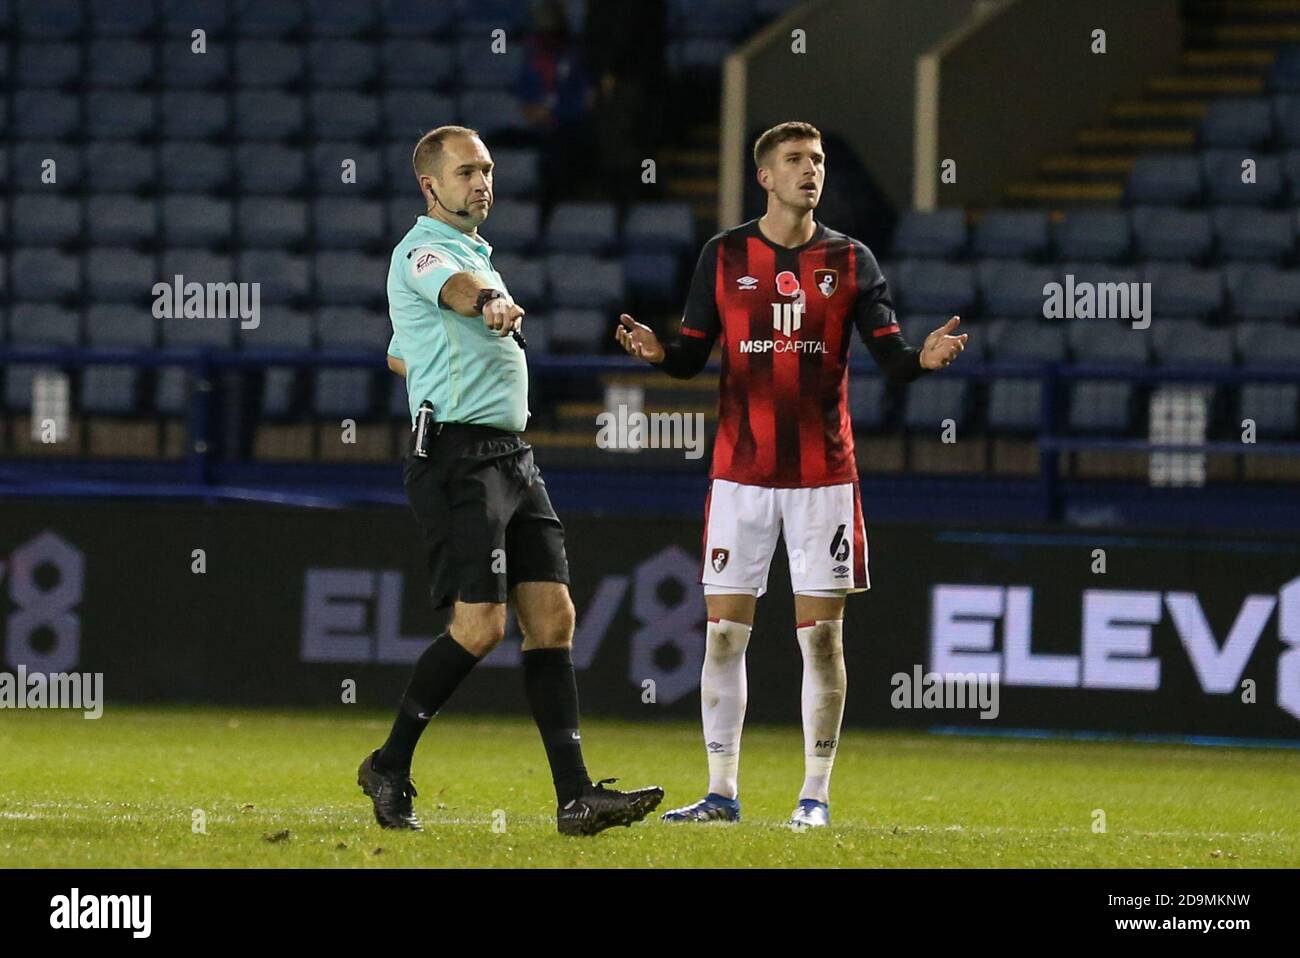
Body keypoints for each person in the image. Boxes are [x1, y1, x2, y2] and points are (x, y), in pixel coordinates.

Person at [615, 121, 967, 829]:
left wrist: (921, 362)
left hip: (823, 480)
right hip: (739, 477)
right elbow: (690, 356)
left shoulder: (852, 260)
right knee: (721, 636)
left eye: (818, 161)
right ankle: (720, 793)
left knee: (821, 639)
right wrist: (658, 355)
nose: (811, 171)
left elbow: (890, 356)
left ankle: (814, 796)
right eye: (796, 161)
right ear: (766, 177)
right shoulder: (723, 256)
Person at [363, 125, 663, 836]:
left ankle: (575, 797)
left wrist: (438, 356)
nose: (482, 183)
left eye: (488, 171)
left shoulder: (472, 251)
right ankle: (389, 763)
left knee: (553, 618)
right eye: (467, 172)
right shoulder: (426, 250)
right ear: (430, 185)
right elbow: (457, 290)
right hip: (459, 460)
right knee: (480, 627)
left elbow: (398, 356)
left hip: (509, 456)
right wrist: (484, 303)